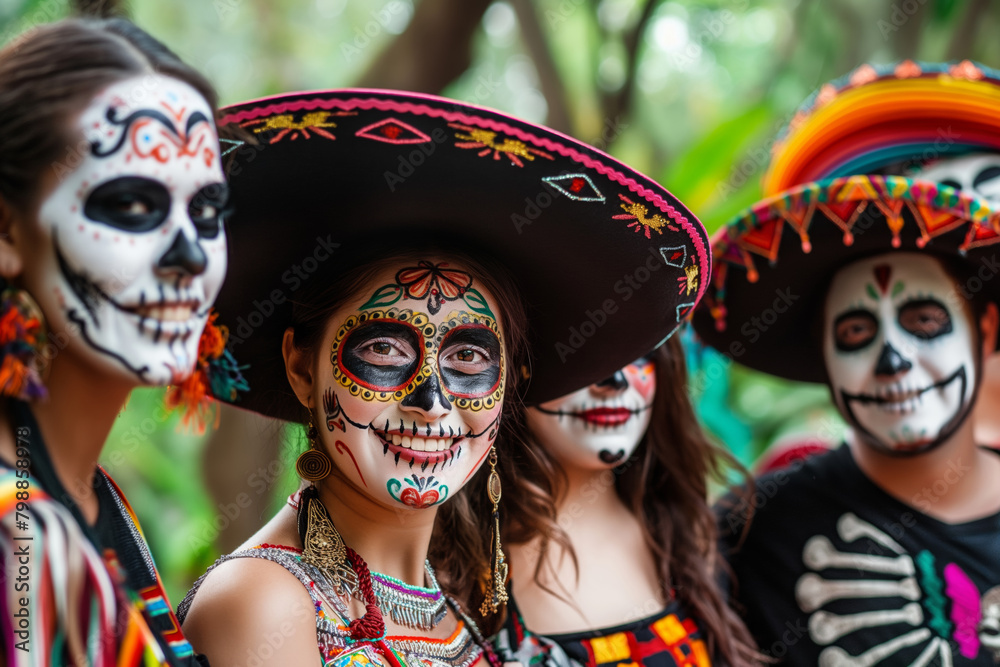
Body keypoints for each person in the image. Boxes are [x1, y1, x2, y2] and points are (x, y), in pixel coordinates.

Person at [176, 89, 711, 667]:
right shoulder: (267, 604)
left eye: (469, 358)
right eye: (383, 348)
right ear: (303, 369)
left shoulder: (451, 602)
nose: (430, 401)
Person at [694, 60, 1000, 665]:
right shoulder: (747, 532)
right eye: (857, 330)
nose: (892, 359)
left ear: (985, 331)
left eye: (924, 321)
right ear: (823, 356)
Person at [0, 15, 238, 667]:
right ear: (7, 231)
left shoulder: (100, 502)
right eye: (133, 206)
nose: (190, 254)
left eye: (209, 212)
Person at [493, 340, 760, 667]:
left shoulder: (688, 531)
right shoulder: (459, 567)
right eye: (575, 348)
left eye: (638, 351)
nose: (614, 381)